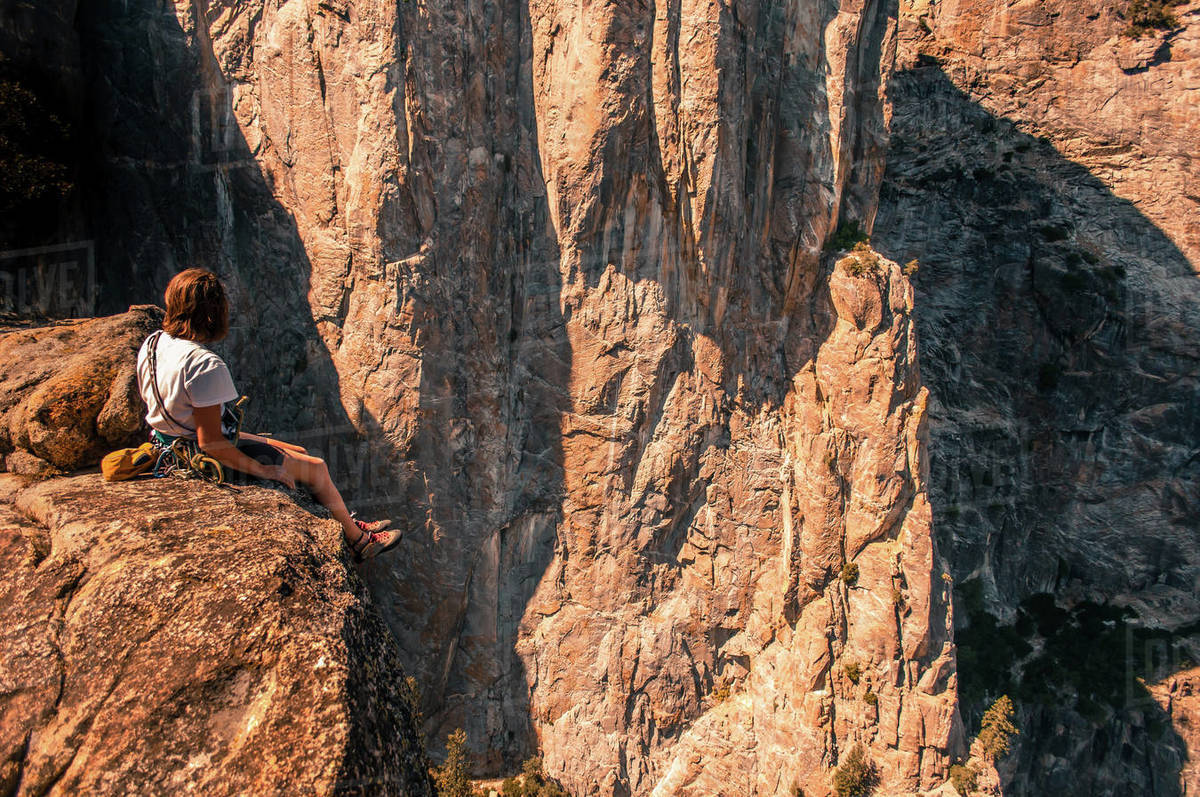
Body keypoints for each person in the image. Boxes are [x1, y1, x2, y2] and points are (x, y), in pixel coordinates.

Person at [135, 268, 402, 561]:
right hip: (199, 454)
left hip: (169, 441)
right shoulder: (204, 364)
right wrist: (266, 471)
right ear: (213, 313)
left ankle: (346, 521)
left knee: (295, 449)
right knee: (316, 468)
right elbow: (211, 444)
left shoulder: (154, 343)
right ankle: (359, 541)